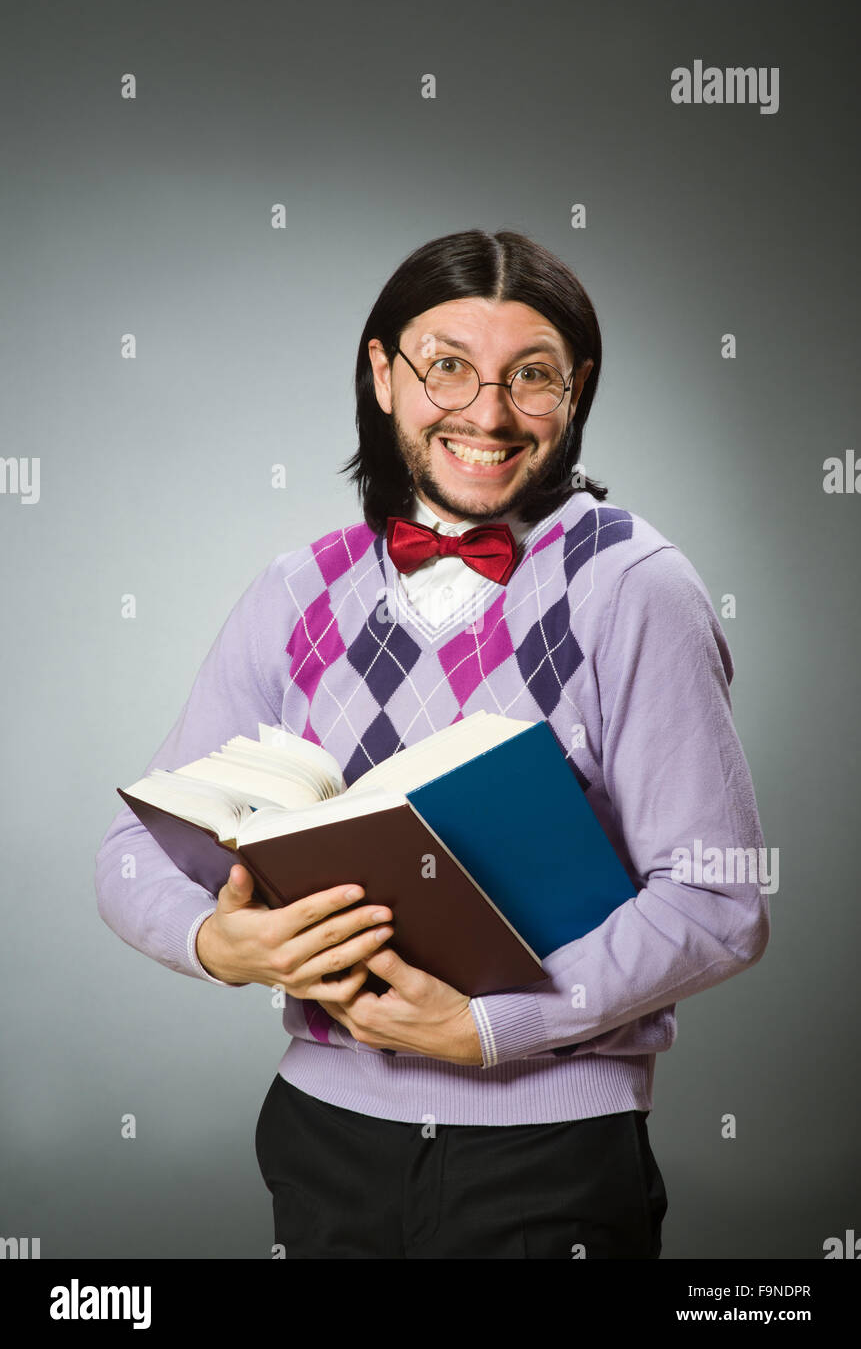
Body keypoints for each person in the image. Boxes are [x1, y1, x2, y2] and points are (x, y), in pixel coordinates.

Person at [94, 227, 770, 1259]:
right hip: (322, 1138)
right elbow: (136, 849)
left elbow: (718, 900)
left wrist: (491, 1029)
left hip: (551, 1149)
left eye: (530, 377)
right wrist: (213, 943)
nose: (488, 412)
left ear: (576, 392)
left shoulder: (635, 585)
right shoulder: (297, 588)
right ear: (383, 373)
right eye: (448, 366)